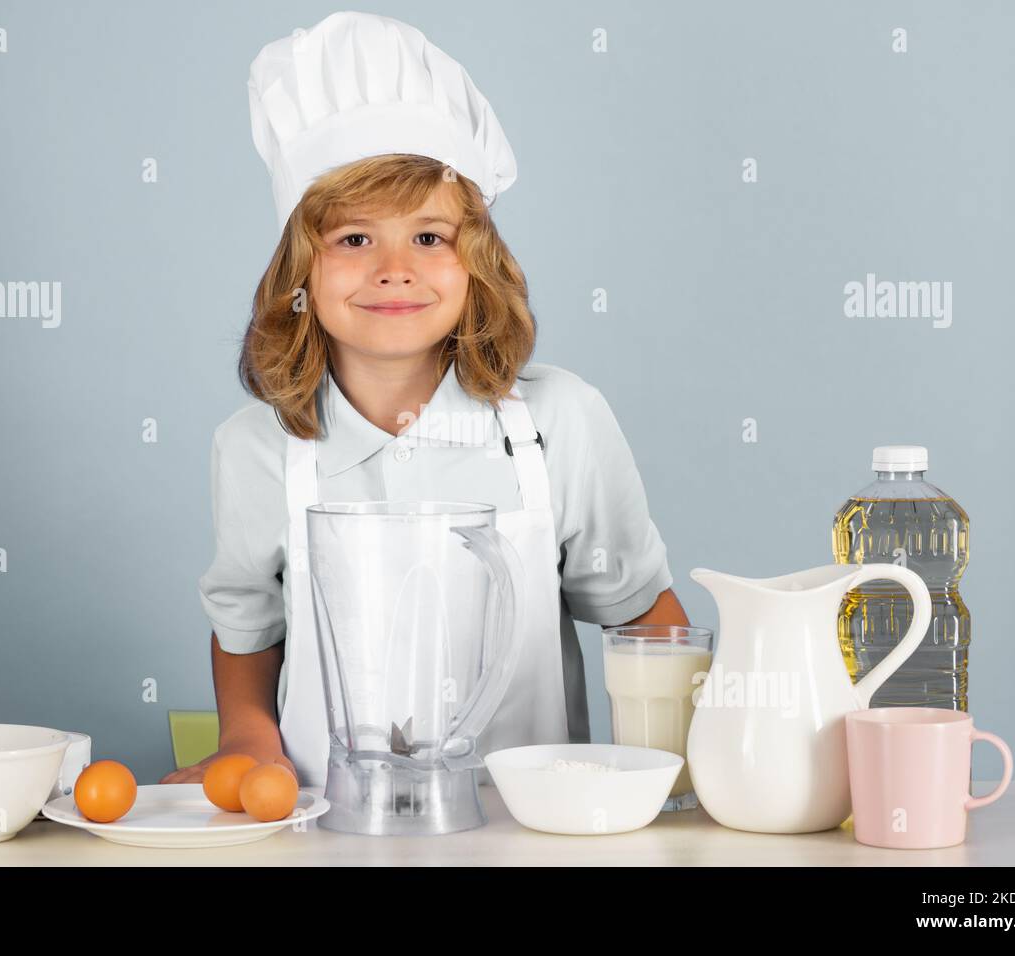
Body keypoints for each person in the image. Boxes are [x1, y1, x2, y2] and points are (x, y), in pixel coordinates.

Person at [161, 11, 688, 788]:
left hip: (530, 838)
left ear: (478, 266)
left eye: (430, 238)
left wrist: (678, 780)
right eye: (352, 238)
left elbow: (648, 623)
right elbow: (245, 625)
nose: (394, 268)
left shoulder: (558, 424)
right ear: (298, 275)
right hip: (327, 835)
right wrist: (246, 734)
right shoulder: (257, 445)